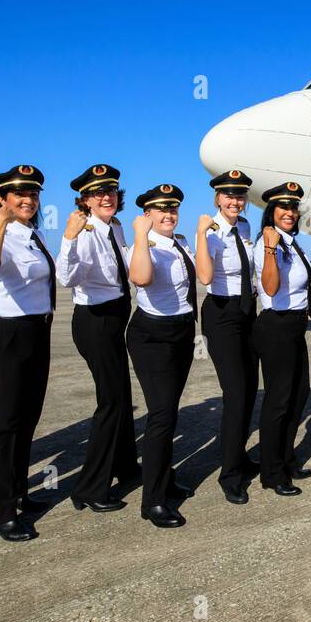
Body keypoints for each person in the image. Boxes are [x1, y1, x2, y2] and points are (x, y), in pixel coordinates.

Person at [0, 165, 55, 543]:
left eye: (33, 194)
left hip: (37, 331)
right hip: (9, 333)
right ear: (2, 199)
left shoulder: (33, 234)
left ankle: (20, 492)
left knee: (28, 419)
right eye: (19, 194)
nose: (28, 200)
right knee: (7, 424)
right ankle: (3, 512)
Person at [58, 164, 135, 513]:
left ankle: (126, 467)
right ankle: (89, 488)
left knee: (122, 394)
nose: (106, 197)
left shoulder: (115, 228)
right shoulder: (85, 231)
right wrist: (69, 238)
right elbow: (67, 278)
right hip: (95, 321)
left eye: (111, 191)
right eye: (98, 193)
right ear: (85, 200)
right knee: (112, 402)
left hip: (116, 315)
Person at [127, 184, 198, 527]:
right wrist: (141, 235)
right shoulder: (141, 246)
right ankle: (152, 501)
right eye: (160, 210)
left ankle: (166, 480)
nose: (168, 215)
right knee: (161, 415)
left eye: (172, 209)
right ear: (147, 214)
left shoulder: (181, 242)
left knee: (170, 413)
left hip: (181, 331)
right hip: (152, 336)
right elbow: (141, 278)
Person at [195, 170, 261, 505]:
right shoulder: (210, 231)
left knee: (250, 388)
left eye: (240, 196)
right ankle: (230, 475)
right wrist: (199, 234)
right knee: (235, 392)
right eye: (228, 196)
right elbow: (205, 275)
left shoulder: (247, 228)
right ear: (218, 199)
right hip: (221, 314)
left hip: (248, 312)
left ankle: (240, 457)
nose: (235, 202)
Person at [253, 182, 311, 496]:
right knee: (278, 401)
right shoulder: (268, 244)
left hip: (294, 327)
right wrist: (268, 248)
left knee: (298, 394)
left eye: (292, 208)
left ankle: (286, 458)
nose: (289, 213)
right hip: (275, 326)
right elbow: (272, 289)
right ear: (271, 212)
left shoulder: (292, 242)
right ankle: (271, 471)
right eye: (282, 208)